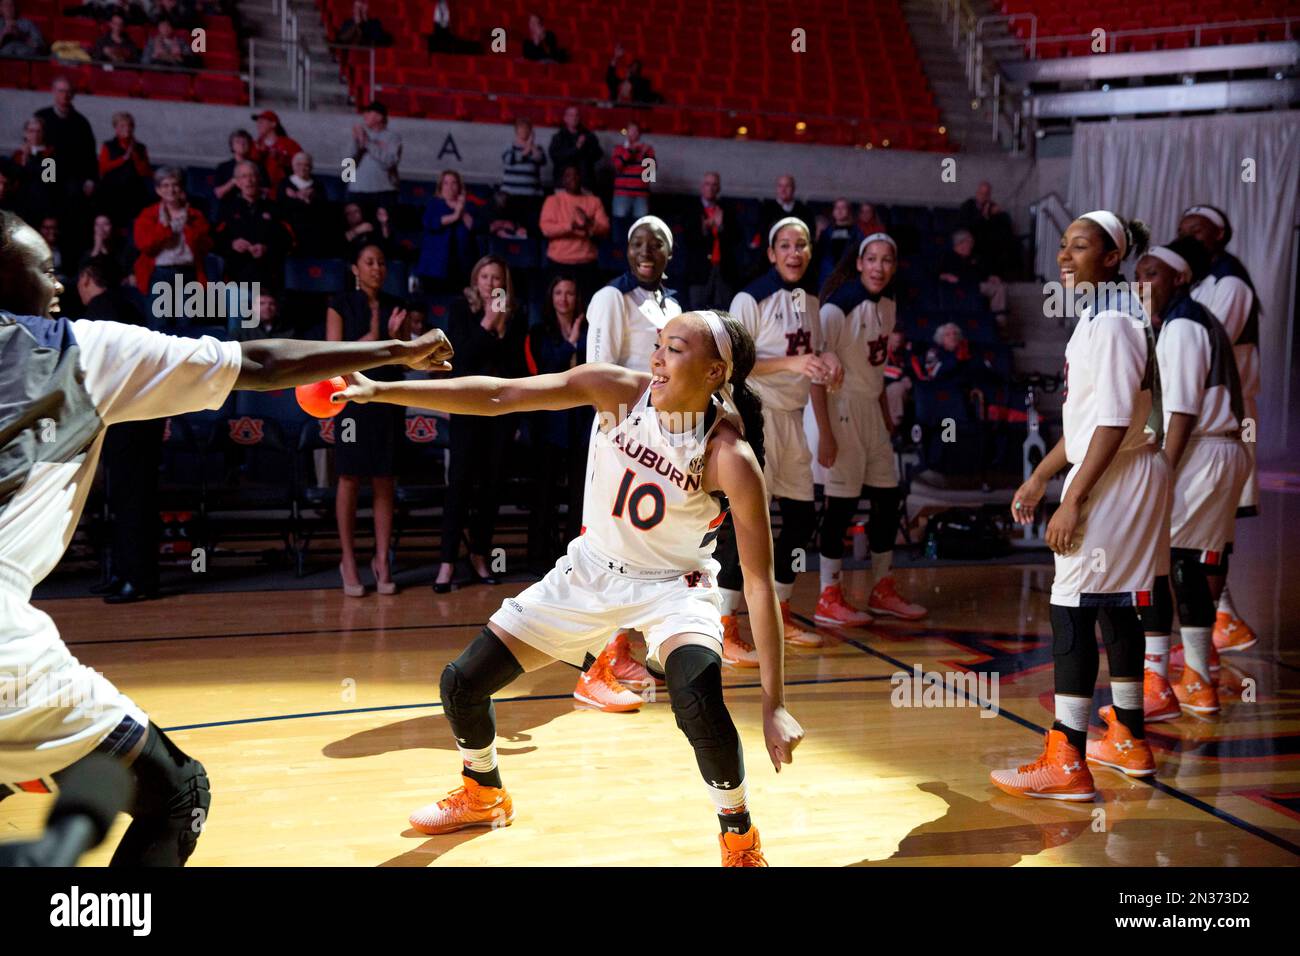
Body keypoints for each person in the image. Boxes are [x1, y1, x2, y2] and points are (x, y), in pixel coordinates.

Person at [0, 207, 453, 864]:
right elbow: (261, 361)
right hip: (8, 651)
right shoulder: (76, 350)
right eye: (43, 269)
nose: (60, 285)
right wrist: (395, 353)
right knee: (179, 793)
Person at [333, 309, 803, 866]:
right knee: (462, 684)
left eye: (675, 349)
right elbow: (501, 395)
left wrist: (774, 704)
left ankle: (739, 839)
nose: (657, 356)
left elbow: (757, 583)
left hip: (675, 588)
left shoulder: (730, 458)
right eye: (658, 344)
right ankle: (484, 793)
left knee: (697, 701)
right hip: (590, 572)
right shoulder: (618, 392)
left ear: (714, 372)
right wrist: (383, 390)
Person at [993, 210, 1161, 800]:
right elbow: (1088, 421)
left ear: (1111, 258)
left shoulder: (1114, 322)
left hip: (1114, 478)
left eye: (1080, 247)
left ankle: (1067, 757)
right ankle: (1129, 737)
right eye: (1063, 245)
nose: (1064, 257)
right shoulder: (1100, 316)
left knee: (1072, 606)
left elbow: (1112, 424)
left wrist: (1075, 498)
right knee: (1114, 605)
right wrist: (1041, 476)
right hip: (1119, 471)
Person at [1130, 235, 1247, 731]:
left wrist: (1163, 471)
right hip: (1221, 451)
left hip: (1198, 452)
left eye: (1152, 273)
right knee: (1189, 567)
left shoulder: (1181, 326)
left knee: (1161, 564)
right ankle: (1201, 675)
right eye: (1138, 273)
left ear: (1179, 278)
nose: (1141, 282)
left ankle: (1157, 683)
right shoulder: (1197, 320)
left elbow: (1180, 412)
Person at [719, 218, 841, 662]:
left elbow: (811, 367)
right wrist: (796, 362)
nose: (793, 253)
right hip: (755, 415)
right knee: (746, 521)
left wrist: (825, 421)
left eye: (801, 245)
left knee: (800, 516)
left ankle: (781, 608)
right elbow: (735, 365)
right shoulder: (749, 298)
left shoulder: (811, 301)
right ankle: (725, 622)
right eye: (785, 246)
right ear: (771, 253)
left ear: (809, 252)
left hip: (794, 419)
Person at [577, 216, 682, 709]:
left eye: (656, 244)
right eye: (638, 243)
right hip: (618, 438)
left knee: (633, 552)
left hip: (657, 447)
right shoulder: (609, 299)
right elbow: (597, 375)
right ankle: (589, 670)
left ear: (669, 252)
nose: (646, 250)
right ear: (625, 250)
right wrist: (618, 437)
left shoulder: (675, 306)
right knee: (602, 550)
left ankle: (618, 650)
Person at [811, 234, 928, 627]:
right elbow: (815, 376)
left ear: (894, 266)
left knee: (887, 499)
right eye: (872, 259)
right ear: (859, 264)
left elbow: (874, 370)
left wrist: (883, 411)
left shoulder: (889, 306)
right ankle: (829, 594)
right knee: (841, 505)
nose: (879, 267)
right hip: (839, 409)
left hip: (871, 410)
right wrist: (825, 434)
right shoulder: (835, 309)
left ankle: (882, 588)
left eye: (887, 260)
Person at [1177, 203, 1260, 654]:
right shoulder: (1202, 282)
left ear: (1221, 235)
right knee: (1201, 528)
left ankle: (1212, 633)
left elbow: (1207, 350)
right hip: (1205, 417)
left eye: (1198, 228)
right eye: (1181, 228)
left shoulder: (1230, 282)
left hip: (1228, 419)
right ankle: (1221, 621)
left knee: (1214, 523)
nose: (1187, 234)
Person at [433, 255, 527, 593]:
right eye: (484, 276)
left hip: (501, 414)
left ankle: (479, 556)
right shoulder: (461, 309)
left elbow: (518, 369)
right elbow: (459, 362)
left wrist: (502, 327)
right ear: (476, 280)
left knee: (491, 489)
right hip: (466, 409)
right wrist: (488, 324)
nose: (490, 282)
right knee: (459, 485)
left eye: (496, 277)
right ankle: (446, 563)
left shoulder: (517, 315)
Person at [326, 242, 410, 597]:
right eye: (369, 262)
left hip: (386, 396)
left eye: (381, 262)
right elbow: (333, 357)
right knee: (348, 477)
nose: (377, 267)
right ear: (355, 269)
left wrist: (399, 339)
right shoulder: (338, 304)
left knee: (384, 479)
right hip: (350, 401)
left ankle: (381, 560)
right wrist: (378, 337)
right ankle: (348, 560)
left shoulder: (396, 304)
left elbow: (405, 359)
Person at [77, 256, 163, 603]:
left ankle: (138, 579)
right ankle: (124, 572)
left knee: (131, 501)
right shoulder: (130, 308)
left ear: (86, 279)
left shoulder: (97, 316)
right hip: (138, 416)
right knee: (128, 499)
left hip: (126, 418)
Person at [523, 275, 590, 569]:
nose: (564, 298)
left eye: (570, 293)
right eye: (558, 293)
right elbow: (547, 372)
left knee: (580, 493)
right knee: (544, 493)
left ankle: (574, 557)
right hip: (548, 422)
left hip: (582, 421)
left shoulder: (591, 330)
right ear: (551, 298)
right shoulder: (538, 332)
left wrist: (579, 339)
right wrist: (570, 343)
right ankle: (539, 557)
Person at [131, 166, 211, 303]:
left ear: (181, 188)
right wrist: (165, 228)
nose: (171, 190)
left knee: (186, 322)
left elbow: (205, 246)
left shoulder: (195, 215)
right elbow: (145, 245)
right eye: (165, 185)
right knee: (159, 323)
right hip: (159, 273)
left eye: (175, 185)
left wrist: (189, 226)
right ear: (158, 190)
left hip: (187, 272)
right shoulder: (148, 215)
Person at [212, 159, 291, 286]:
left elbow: (286, 240)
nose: (249, 180)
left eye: (252, 176)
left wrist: (267, 248)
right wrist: (232, 244)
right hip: (235, 277)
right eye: (244, 176)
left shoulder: (274, 208)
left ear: (259, 179)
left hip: (267, 278)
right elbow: (214, 240)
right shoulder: (227, 208)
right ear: (237, 182)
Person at [539, 163, 609, 299]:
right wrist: (571, 226)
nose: (573, 178)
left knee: (588, 305)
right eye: (568, 175)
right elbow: (546, 229)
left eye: (576, 175)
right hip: (558, 262)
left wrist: (588, 225)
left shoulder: (594, 201)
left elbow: (604, 228)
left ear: (581, 178)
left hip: (586, 263)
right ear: (563, 180)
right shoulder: (553, 200)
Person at [35, 77, 98, 211]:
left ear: (73, 94)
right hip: (48, 165)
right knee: (45, 192)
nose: (65, 95)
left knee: (72, 199)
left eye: (68, 91)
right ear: (53, 92)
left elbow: (90, 154)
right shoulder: (41, 116)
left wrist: (90, 179)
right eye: (61, 91)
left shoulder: (81, 122)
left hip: (72, 172)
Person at [415, 169, 476, 296]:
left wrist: (461, 209)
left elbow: (472, 226)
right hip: (434, 267)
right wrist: (455, 216)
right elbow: (430, 222)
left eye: (454, 183)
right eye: (446, 183)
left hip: (459, 267)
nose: (450, 187)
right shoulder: (434, 204)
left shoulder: (466, 207)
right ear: (440, 186)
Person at [683, 171, 737, 311]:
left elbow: (736, 239)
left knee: (723, 314)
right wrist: (705, 227)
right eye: (707, 184)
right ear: (702, 187)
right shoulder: (691, 209)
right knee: (696, 314)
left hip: (723, 270)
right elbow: (687, 239)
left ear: (718, 188)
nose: (711, 188)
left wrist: (720, 228)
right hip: (699, 271)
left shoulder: (727, 210)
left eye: (714, 184)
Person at [938, 228, 1008, 326]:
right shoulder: (948, 256)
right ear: (960, 243)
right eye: (969, 242)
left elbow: (980, 272)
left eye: (972, 242)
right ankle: (999, 324)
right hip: (962, 286)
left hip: (976, 284)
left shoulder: (972, 257)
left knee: (1000, 285)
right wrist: (944, 276)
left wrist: (990, 277)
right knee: (998, 289)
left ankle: (998, 322)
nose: (971, 245)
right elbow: (937, 273)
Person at [97, 111, 153, 228]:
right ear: (116, 128)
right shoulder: (108, 145)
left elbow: (146, 172)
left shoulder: (140, 148)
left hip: (133, 191)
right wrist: (122, 159)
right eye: (123, 126)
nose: (127, 129)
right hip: (112, 190)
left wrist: (135, 156)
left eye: (130, 125)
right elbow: (103, 169)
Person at [347, 101, 402, 218]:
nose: (364, 116)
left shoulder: (392, 137)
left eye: (368, 112)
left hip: (383, 191)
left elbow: (389, 162)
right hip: (358, 191)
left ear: (379, 117)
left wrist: (368, 143)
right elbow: (347, 163)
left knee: (382, 228)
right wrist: (356, 141)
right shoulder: (359, 134)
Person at [277, 151, 332, 257]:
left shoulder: (317, 185)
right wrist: (303, 198)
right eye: (299, 164)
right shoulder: (285, 183)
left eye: (306, 165)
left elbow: (322, 208)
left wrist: (296, 196)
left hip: (314, 225)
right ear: (293, 166)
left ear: (311, 167)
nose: (303, 168)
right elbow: (282, 207)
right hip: (292, 225)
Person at [958, 180, 1017, 278]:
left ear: (989, 195)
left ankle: (999, 276)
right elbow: (967, 225)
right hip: (972, 239)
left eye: (986, 194)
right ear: (977, 193)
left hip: (988, 241)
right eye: (981, 193)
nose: (983, 196)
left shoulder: (992, 206)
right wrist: (984, 216)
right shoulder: (968, 206)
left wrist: (1001, 216)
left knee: (1006, 242)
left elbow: (1000, 225)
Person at [11, 116, 59, 224]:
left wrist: (27, 163)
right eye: (31, 131)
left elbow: (48, 177)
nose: (35, 135)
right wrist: (24, 158)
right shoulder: (18, 154)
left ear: (43, 133)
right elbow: (15, 179)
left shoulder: (51, 153)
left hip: (44, 201)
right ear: (26, 134)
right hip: (22, 203)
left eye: (39, 131)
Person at [611, 120, 654, 231]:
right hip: (622, 194)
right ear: (627, 132)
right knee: (620, 225)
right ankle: (619, 248)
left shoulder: (648, 150)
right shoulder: (619, 149)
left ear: (640, 134)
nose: (634, 133)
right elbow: (617, 166)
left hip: (641, 196)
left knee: (640, 227)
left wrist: (645, 155)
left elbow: (650, 175)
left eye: (636, 131)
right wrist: (630, 152)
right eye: (631, 130)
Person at [547, 106, 603, 190]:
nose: (574, 118)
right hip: (563, 184)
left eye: (577, 115)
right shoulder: (558, 137)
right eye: (571, 115)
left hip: (584, 183)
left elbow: (598, 154)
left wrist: (585, 147)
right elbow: (556, 157)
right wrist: (576, 148)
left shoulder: (589, 136)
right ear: (565, 118)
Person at [812, 198, 863, 289]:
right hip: (826, 278)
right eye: (837, 208)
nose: (839, 210)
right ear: (833, 212)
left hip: (848, 279)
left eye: (843, 207)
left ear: (849, 211)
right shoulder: (825, 233)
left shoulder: (857, 233)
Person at [249, 110, 302, 192]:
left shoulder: (289, 144)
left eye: (262, 122)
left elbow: (302, 165)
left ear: (273, 124)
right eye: (258, 122)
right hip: (261, 192)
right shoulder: (254, 144)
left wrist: (280, 158)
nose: (258, 124)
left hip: (285, 191)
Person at [213, 129, 257, 213]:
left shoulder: (258, 166)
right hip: (230, 210)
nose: (242, 145)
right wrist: (233, 182)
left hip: (253, 209)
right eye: (238, 142)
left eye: (245, 142)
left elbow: (266, 191)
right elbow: (218, 194)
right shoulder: (223, 167)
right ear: (232, 146)